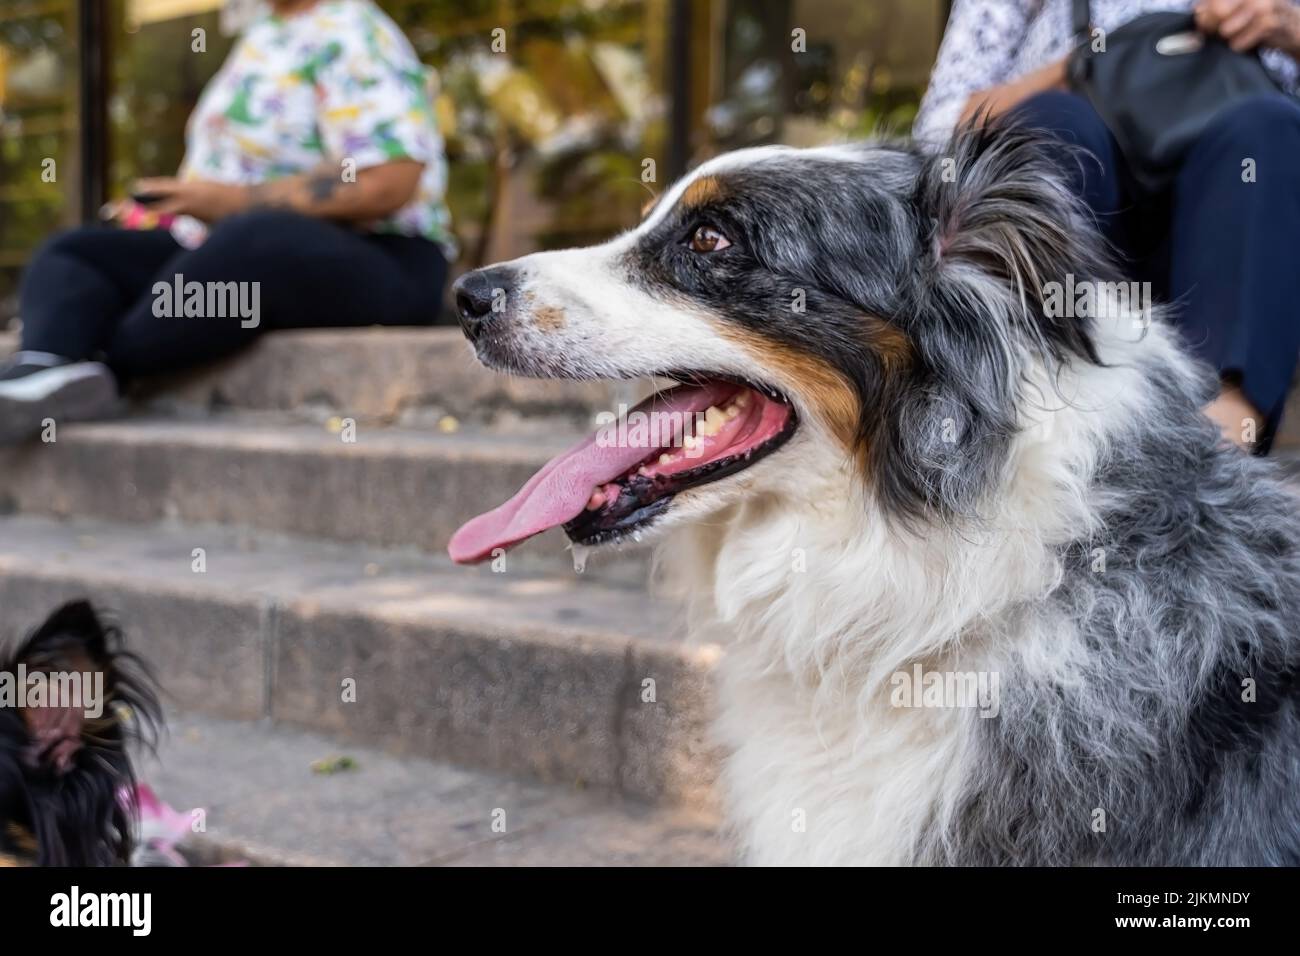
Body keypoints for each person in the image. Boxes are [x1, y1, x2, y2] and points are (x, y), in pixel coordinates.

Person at [0, 0, 453, 444]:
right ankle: (44, 365)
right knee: (74, 250)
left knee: (254, 237)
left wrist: (232, 200)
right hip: (221, 244)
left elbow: (390, 180)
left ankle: (95, 360)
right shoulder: (263, 33)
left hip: (384, 258)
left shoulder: (353, 27)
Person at [914, 0, 1300, 452]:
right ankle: (1034, 423)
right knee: (1053, 123)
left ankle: (1217, 447)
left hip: (1231, 204)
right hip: (1080, 190)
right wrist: (1085, 64)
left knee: (1266, 133)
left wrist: (1288, 29)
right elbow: (939, 130)